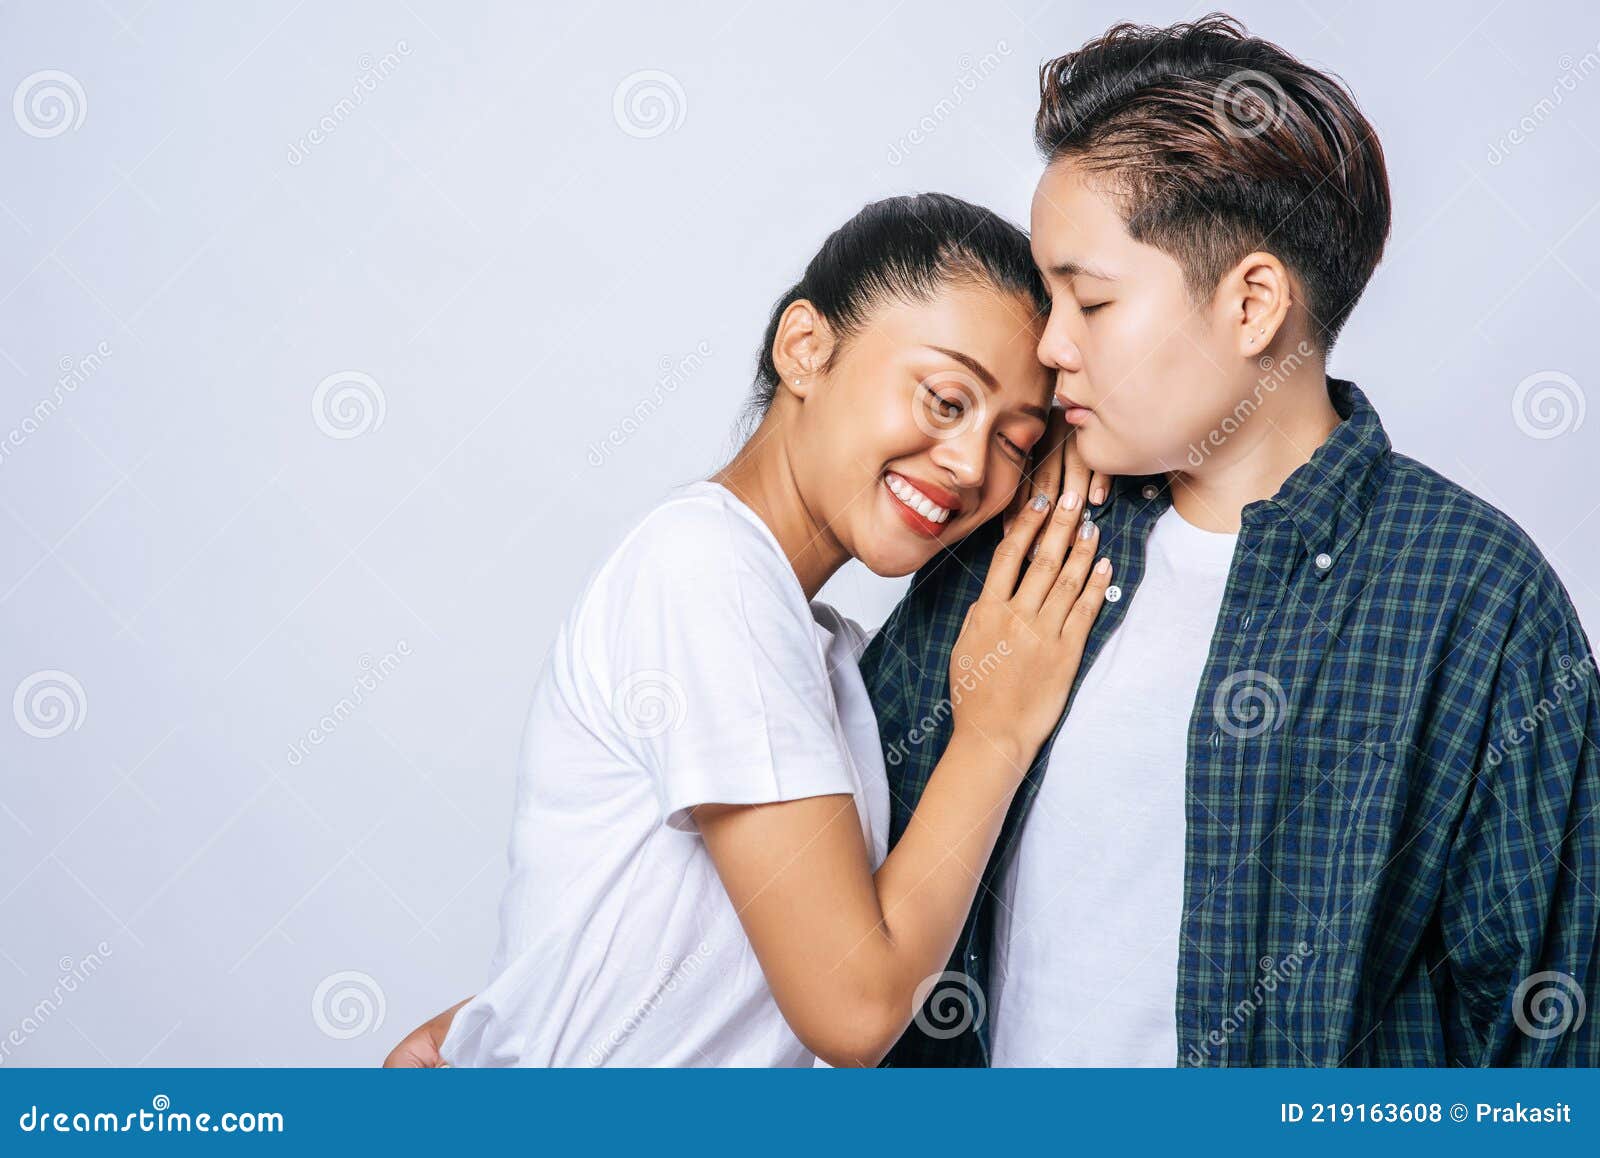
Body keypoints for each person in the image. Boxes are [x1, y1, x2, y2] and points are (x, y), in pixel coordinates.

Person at [869, 15, 1599, 1066]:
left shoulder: (1473, 597)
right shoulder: (1021, 536)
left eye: (1090, 298)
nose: (1047, 344)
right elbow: (847, 880)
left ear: (1252, 301)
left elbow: (1546, 1037)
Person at [385, 193, 1117, 1067]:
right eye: (947, 399)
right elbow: (853, 1008)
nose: (968, 462)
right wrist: (994, 733)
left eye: (1015, 441)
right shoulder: (706, 571)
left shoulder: (822, 647)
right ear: (806, 348)